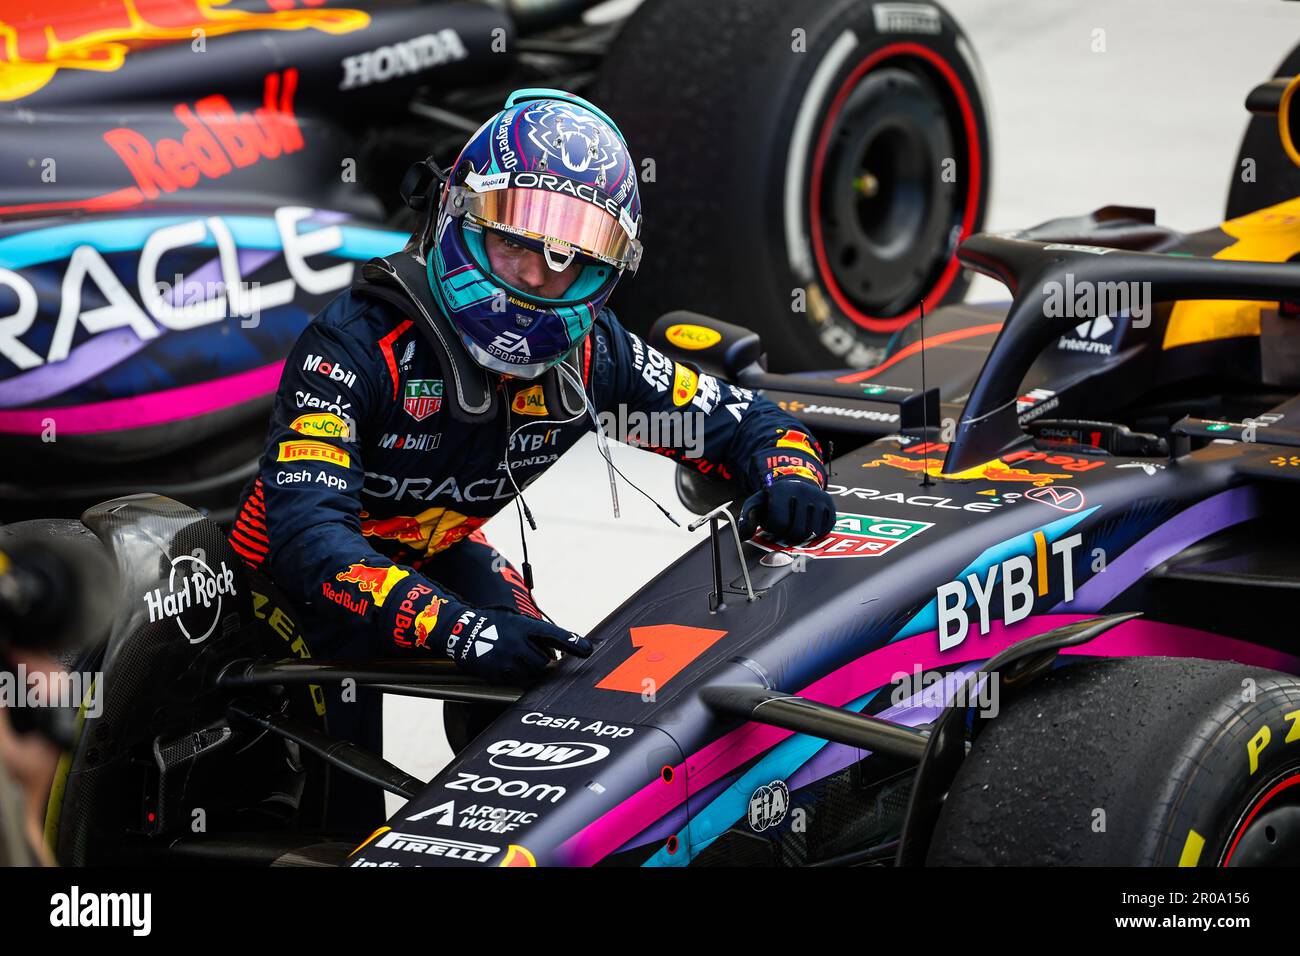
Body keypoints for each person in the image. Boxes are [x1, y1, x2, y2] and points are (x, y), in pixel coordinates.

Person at [229, 87, 834, 702]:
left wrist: (792, 476)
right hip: (286, 581)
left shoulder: (597, 357)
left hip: (436, 548)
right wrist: (458, 631)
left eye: (566, 257)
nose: (538, 276)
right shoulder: (355, 345)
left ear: (601, 269)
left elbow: (748, 423)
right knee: (341, 779)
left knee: (546, 679)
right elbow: (309, 539)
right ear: (460, 220)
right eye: (514, 242)